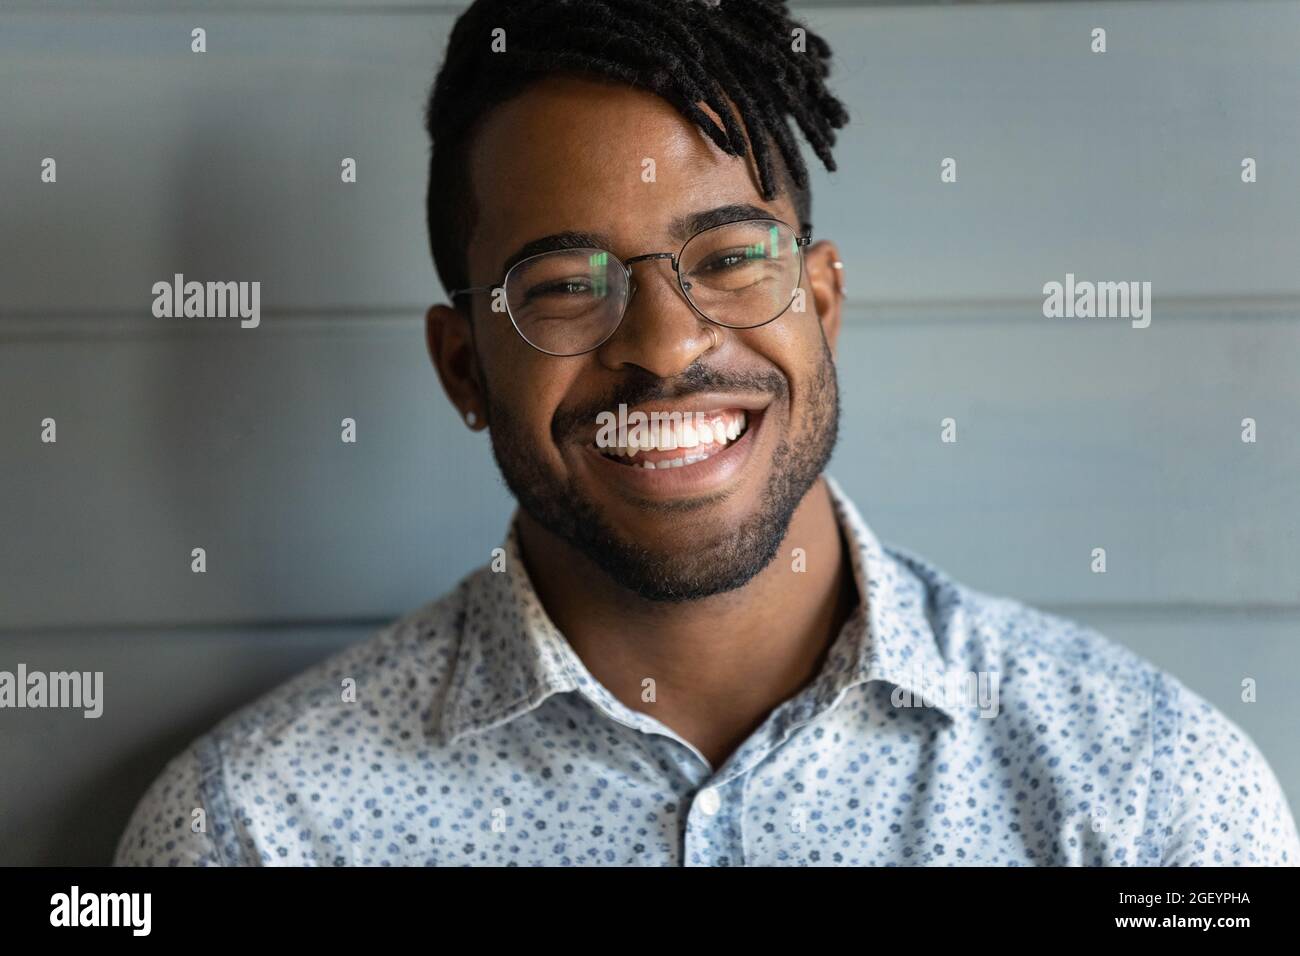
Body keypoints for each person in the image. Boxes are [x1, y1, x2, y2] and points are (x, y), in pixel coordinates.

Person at [115, 0, 1298, 866]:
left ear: (821, 305)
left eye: (730, 257)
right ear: (464, 365)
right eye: (564, 283)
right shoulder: (255, 830)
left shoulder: (1151, 796)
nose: (668, 343)